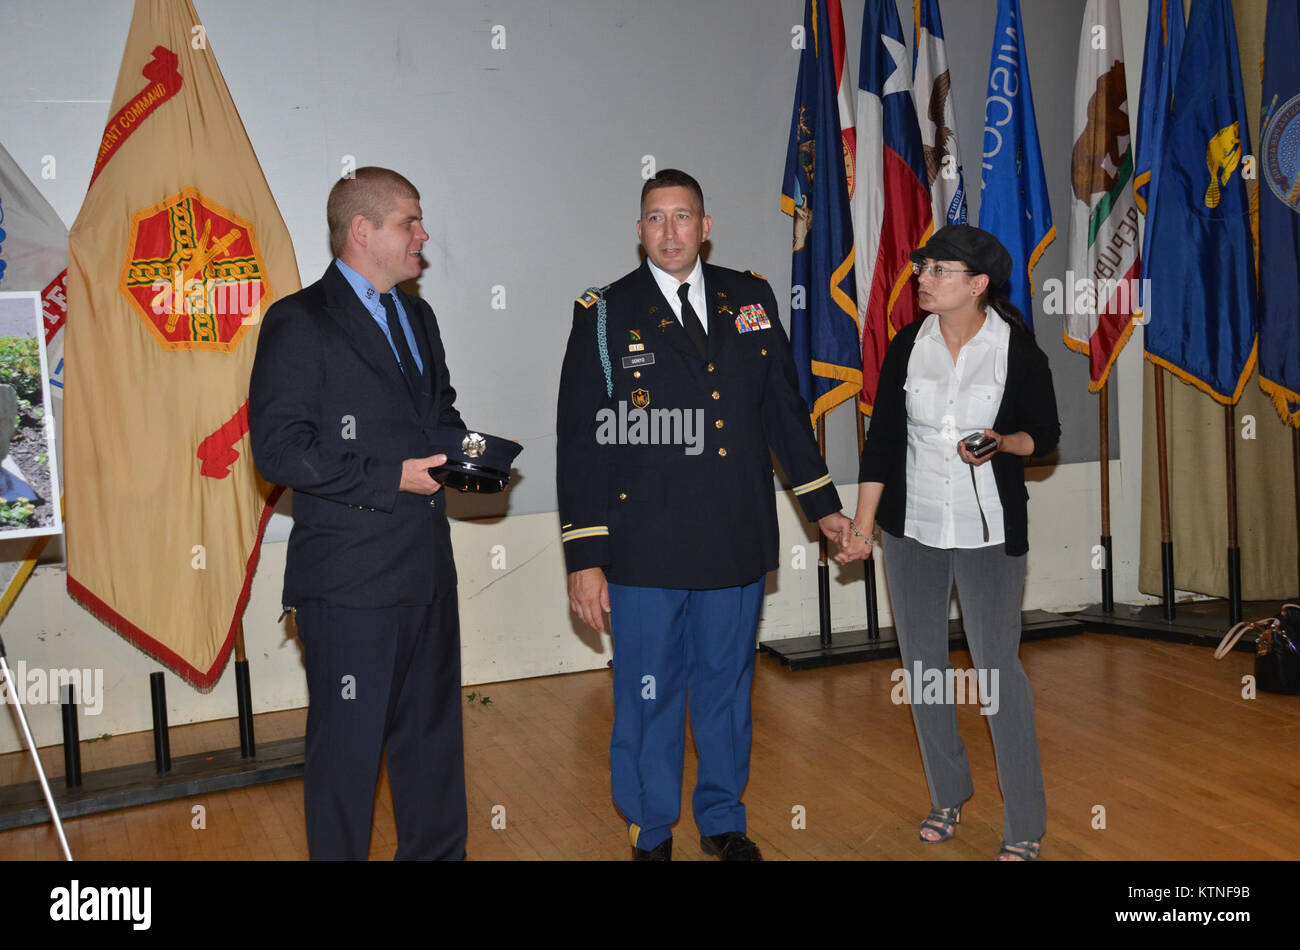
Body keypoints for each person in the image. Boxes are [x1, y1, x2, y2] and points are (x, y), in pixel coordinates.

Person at [557, 168, 852, 861]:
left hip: (734, 534)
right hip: (643, 546)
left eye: (682, 217)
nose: (669, 231)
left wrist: (824, 508)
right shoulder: (604, 312)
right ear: (638, 233)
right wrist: (585, 556)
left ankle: (723, 820)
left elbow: (782, 410)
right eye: (655, 219)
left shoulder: (749, 299)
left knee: (725, 689)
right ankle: (650, 827)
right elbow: (582, 439)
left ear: (705, 226)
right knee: (649, 691)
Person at [249, 167, 468, 860]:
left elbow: (437, 417)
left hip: (426, 575)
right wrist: (389, 477)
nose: (423, 235)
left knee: (432, 752)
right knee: (346, 764)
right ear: (363, 231)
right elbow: (280, 451)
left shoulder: (419, 316)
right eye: (411, 221)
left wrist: (470, 453)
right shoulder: (298, 321)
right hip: (349, 588)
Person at [836, 225, 1060, 861]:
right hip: (913, 532)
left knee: (997, 675)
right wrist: (861, 527)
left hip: (990, 532)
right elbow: (880, 444)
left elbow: (1042, 437)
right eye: (921, 267)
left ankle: (1024, 823)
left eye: (938, 271)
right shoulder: (909, 343)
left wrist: (1001, 441)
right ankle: (947, 792)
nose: (922, 279)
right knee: (923, 670)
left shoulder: (1017, 349)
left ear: (979, 284)